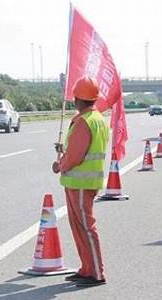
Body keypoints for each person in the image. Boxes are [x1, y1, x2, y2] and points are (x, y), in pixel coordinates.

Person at [52, 76, 109, 287]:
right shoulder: (96, 118)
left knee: (86, 227)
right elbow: (80, 151)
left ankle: (95, 272)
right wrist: (64, 154)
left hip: (81, 183)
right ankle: (86, 268)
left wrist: (60, 165)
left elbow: (76, 155)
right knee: (80, 227)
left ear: (77, 98)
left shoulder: (85, 121)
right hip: (81, 183)